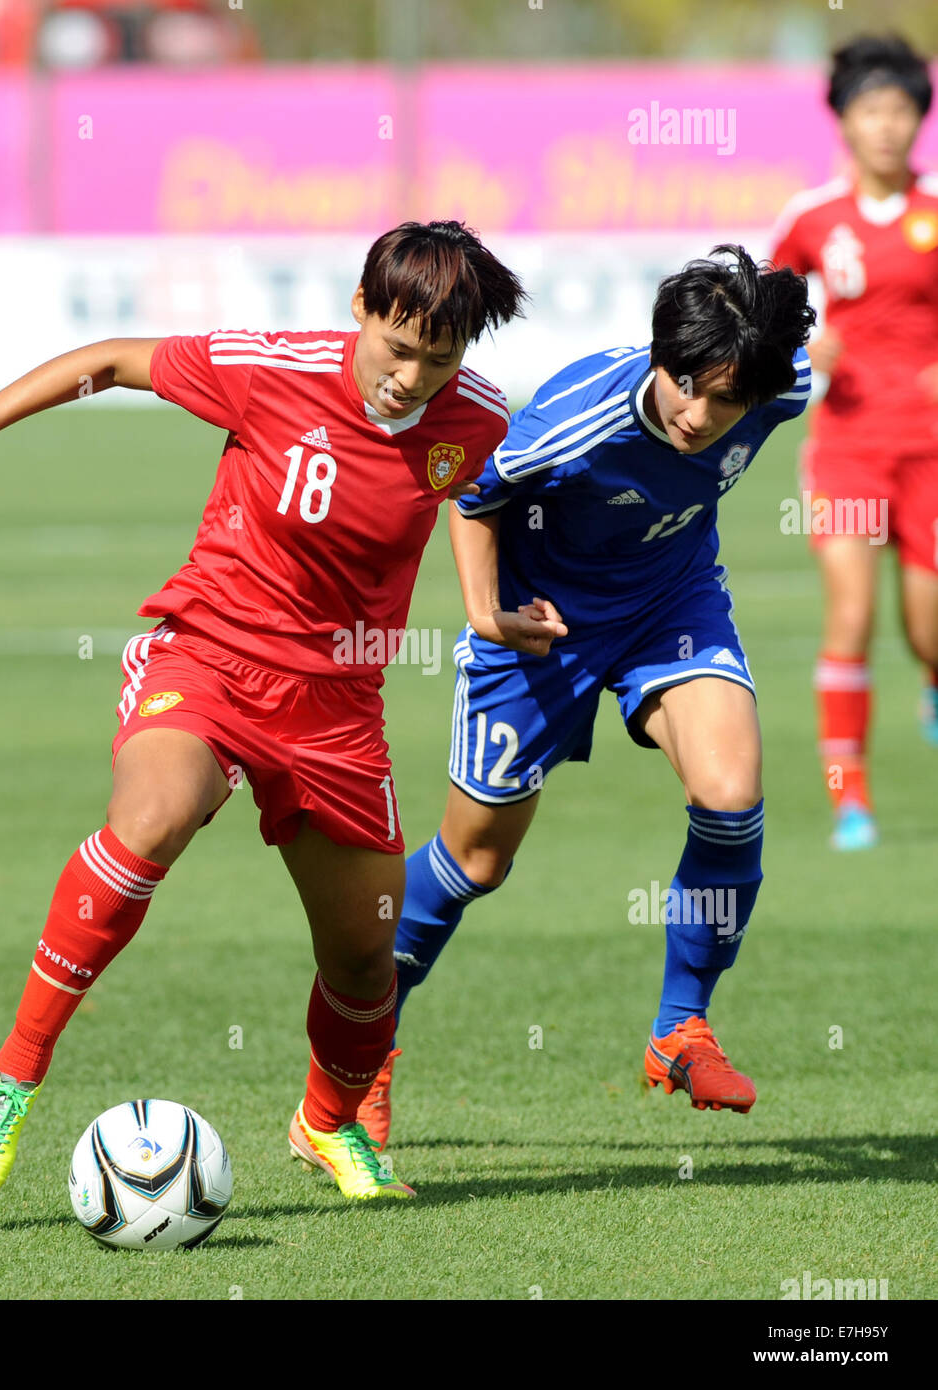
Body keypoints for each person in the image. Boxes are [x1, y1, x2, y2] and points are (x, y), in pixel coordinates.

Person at [0, 220, 526, 1202]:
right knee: (153, 820)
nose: (410, 377)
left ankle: (327, 1123)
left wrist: (488, 605)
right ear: (361, 311)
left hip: (338, 710)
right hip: (208, 657)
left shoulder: (474, 417)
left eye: (437, 358)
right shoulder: (269, 369)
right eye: (397, 348)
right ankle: (13, 1074)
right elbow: (111, 359)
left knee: (364, 959)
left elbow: (481, 497)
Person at [355, 246, 815, 1148]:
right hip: (544, 624)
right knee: (474, 863)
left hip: (668, 605)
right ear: (659, 355)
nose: (699, 414)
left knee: (730, 798)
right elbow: (477, 495)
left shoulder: (778, 383)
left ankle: (679, 1028)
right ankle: (360, 1050)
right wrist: (487, 616)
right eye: (686, 384)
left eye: (726, 402)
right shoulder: (576, 418)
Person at [770, 35, 938, 851]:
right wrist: (802, 352)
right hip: (845, 448)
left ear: (918, 120)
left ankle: (932, 678)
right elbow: (760, 316)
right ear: (843, 120)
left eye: (901, 109)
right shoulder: (810, 219)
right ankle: (850, 800)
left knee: (926, 626)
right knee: (851, 614)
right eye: (870, 109)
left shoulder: (934, 214)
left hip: (931, 451)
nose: (885, 125)